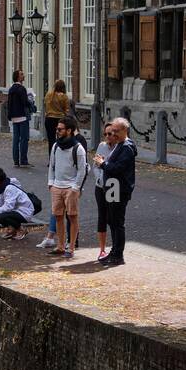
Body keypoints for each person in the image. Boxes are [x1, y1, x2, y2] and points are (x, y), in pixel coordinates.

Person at [94, 116, 136, 266]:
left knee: (117, 222)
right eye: (112, 131)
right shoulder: (120, 144)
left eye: (116, 131)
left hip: (119, 189)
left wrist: (102, 164)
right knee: (111, 220)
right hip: (112, 187)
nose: (114, 134)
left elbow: (117, 169)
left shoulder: (127, 147)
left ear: (125, 130)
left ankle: (118, 255)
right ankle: (114, 251)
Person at [47, 114, 87, 259]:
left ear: (69, 130)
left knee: (72, 217)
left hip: (71, 187)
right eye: (57, 129)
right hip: (57, 186)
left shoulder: (78, 149)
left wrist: (75, 188)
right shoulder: (56, 146)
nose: (57, 131)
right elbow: (51, 165)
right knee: (58, 217)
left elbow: (83, 170)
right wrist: (51, 183)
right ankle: (60, 246)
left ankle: (71, 247)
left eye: (60, 129)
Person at [0, 167, 38, 240]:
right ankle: (12, 229)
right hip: (17, 210)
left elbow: (8, 207)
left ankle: (21, 230)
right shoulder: (2, 188)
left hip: (25, 212)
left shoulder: (9, 189)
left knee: (2, 216)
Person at [92, 121, 116, 262]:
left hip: (114, 187)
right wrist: (101, 179)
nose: (107, 136)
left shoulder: (120, 148)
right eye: (105, 134)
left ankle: (115, 248)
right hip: (100, 186)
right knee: (102, 216)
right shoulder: (102, 146)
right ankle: (102, 250)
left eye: (110, 134)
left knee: (113, 217)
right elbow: (95, 166)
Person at [8, 70, 31, 167]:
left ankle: (16, 161)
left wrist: (10, 115)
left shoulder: (11, 89)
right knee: (24, 139)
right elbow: (25, 102)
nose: (24, 75)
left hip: (14, 117)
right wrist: (31, 102)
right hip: (22, 116)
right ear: (18, 77)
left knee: (15, 139)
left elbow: (9, 103)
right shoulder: (21, 89)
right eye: (22, 74)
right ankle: (23, 160)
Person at [42, 79, 70, 155]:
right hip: (60, 120)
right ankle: (59, 157)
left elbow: (45, 104)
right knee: (61, 139)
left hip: (49, 119)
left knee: (51, 140)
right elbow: (67, 109)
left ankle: (51, 159)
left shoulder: (48, 94)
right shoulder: (64, 97)